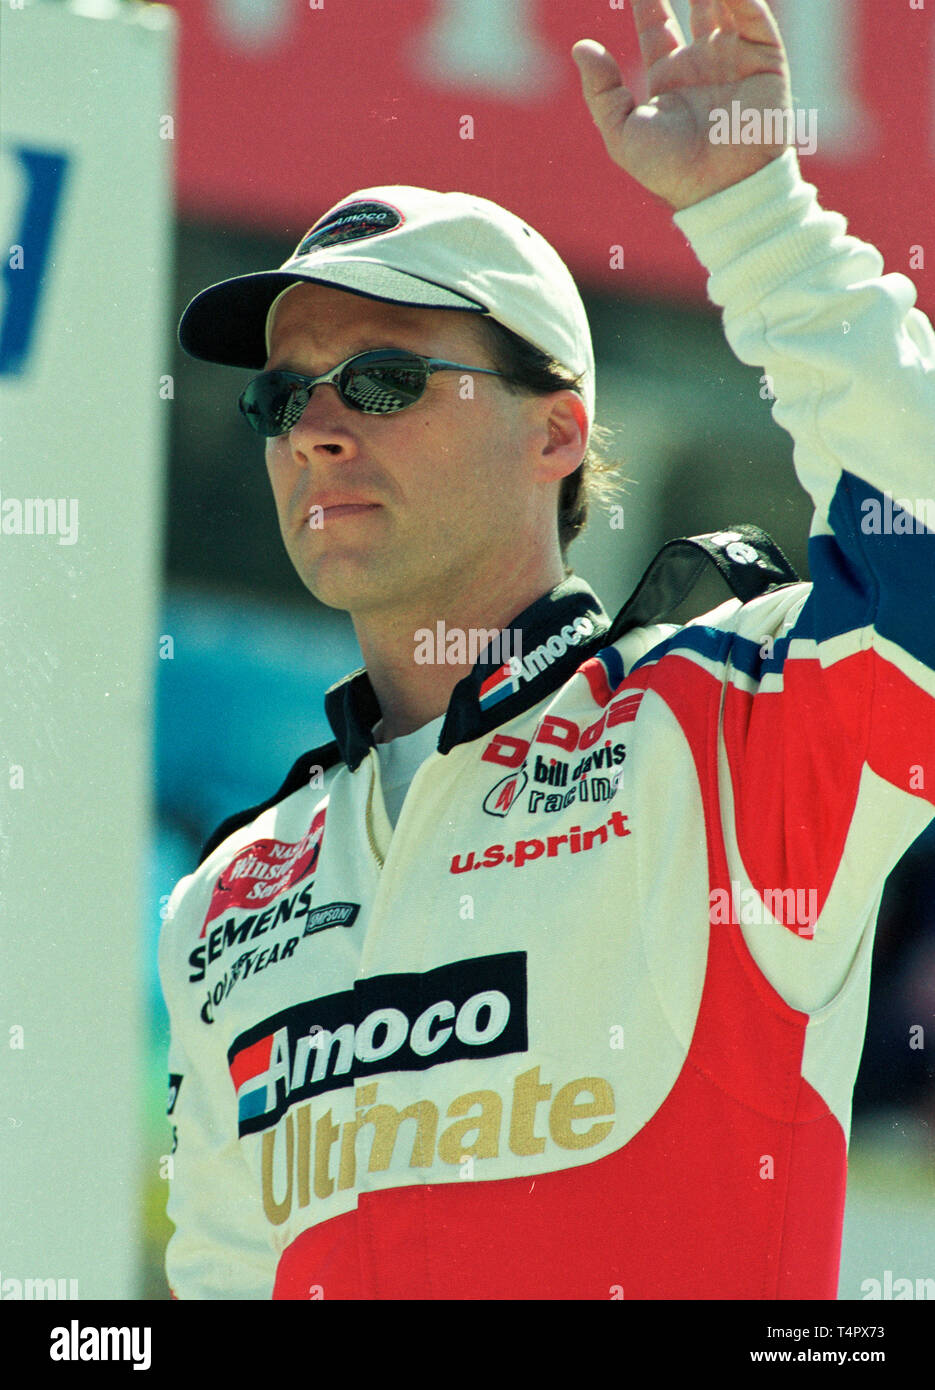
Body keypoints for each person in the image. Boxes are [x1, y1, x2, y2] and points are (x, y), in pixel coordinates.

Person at [160, 0, 935, 1299]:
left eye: (386, 379)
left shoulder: (722, 736)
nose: (319, 431)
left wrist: (760, 226)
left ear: (558, 431)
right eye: (284, 397)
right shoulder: (225, 900)